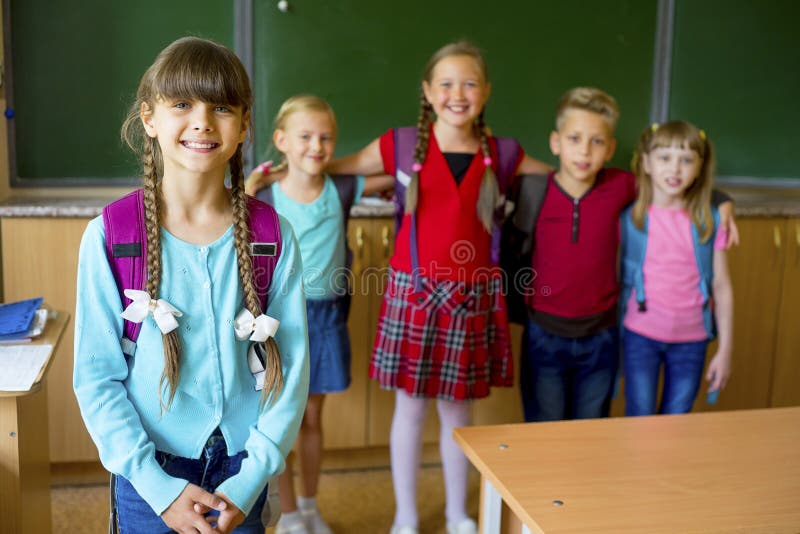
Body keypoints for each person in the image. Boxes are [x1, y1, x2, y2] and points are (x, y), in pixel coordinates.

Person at [73, 36, 309, 534]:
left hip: (244, 470)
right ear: (149, 118)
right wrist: (156, 486)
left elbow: (289, 372)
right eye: (182, 104)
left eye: (221, 107)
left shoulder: (272, 236)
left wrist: (252, 478)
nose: (202, 121)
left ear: (244, 125)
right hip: (148, 470)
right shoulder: (111, 236)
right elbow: (96, 379)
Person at [325, 41, 551, 534]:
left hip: (472, 298)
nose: (458, 93)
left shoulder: (504, 153)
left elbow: (563, 178)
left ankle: (456, 514)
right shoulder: (400, 144)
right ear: (427, 92)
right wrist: (274, 174)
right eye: (446, 83)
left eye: (469, 83)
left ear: (486, 91)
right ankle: (406, 517)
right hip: (414, 294)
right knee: (409, 410)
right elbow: (332, 166)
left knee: (457, 413)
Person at [518, 87, 736, 423]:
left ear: (610, 149)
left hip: (601, 336)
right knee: (543, 427)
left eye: (597, 141)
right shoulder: (534, 191)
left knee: (592, 427)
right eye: (574, 139)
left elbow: (673, 183)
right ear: (555, 142)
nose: (584, 151)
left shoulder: (620, 186)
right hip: (544, 333)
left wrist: (723, 201)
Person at [247, 95, 390, 534]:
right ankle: (289, 513)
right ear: (281, 140)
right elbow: (239, 227)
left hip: (327, 319)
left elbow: (395, 173)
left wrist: (341, 166)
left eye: (326, 138)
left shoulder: (341, 188)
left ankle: (309, 507)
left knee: (311, 419)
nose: (317, 146)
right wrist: (251, 186)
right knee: (281, 421)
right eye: (305, 137)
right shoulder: (266, 195)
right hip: (281, 321)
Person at [620, 120, 733, 415]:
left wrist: (725, 350)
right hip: (640, 336)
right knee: (639, 418)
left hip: (691, 341)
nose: (675, 169)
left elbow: (722, 286)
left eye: (686, 160)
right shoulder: (631, 217)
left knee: (677, 424)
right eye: (665, 158)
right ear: (646, 163)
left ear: (699, 167)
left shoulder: (709, 221)